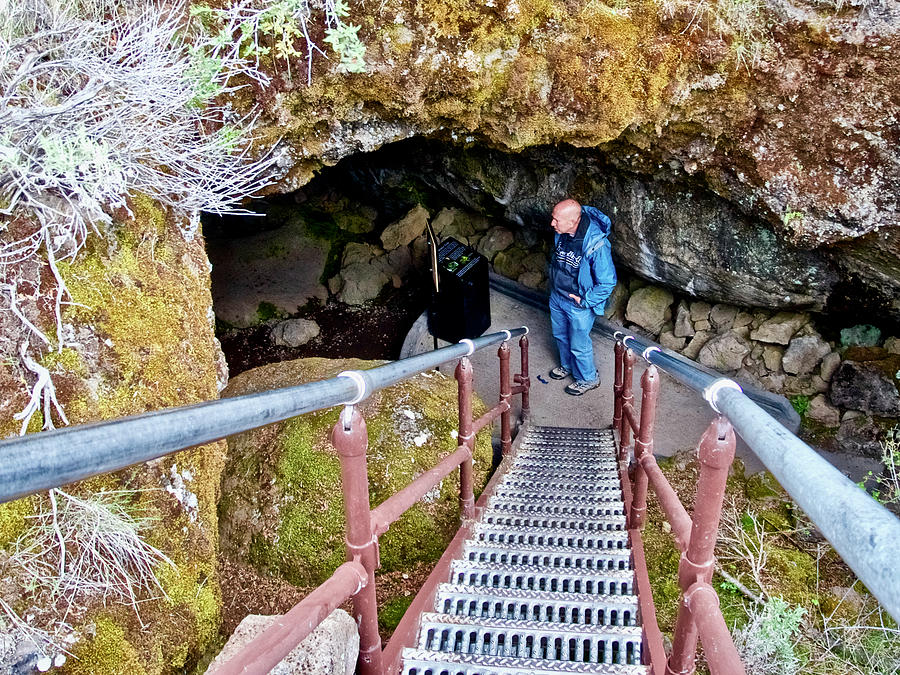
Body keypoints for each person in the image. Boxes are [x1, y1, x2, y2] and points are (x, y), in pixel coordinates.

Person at [547, 198, 617, 395]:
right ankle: (567, 366)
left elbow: (607, 282)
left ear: (572, 222)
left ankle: (588, 378)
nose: (552, 223)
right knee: (560, 335)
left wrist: (586, 301)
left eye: (556, 220)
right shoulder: (562, 233)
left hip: (578, 303)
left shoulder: (597, 244)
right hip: (558, 296)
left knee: (579, 343)